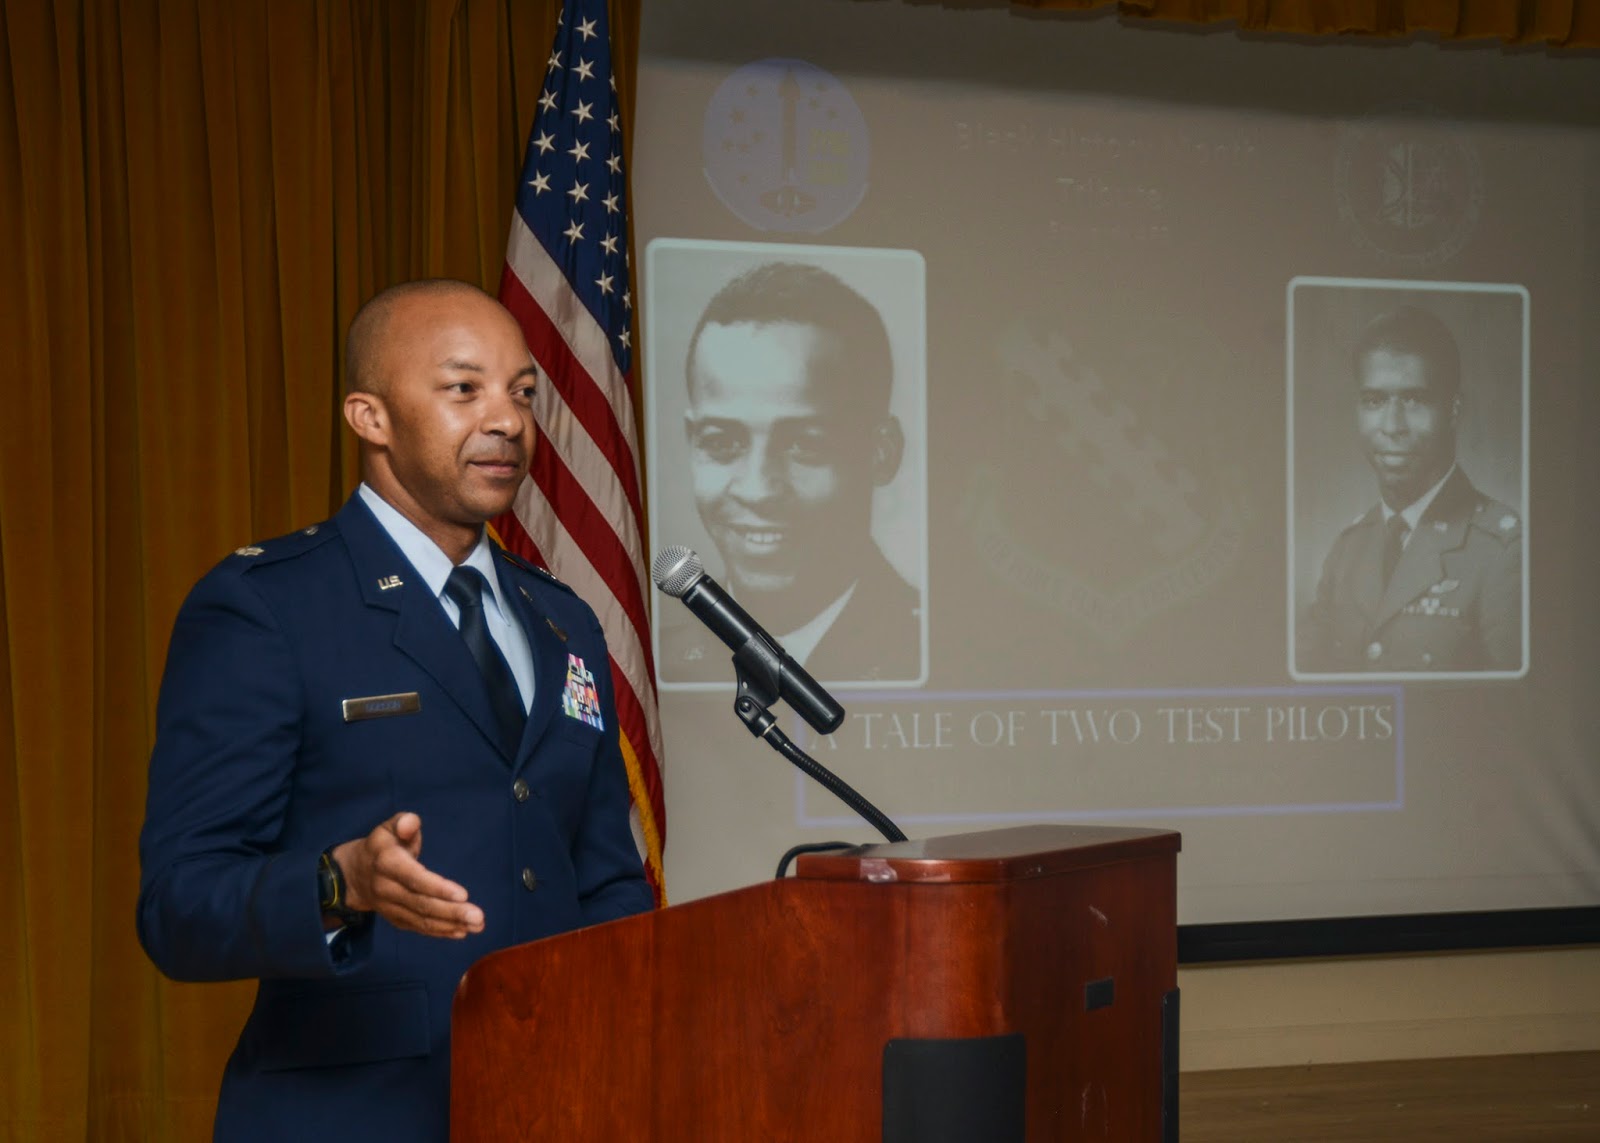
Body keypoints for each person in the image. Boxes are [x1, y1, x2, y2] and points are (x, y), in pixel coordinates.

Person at [136, 280, 653, 1141]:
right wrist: (340, 885)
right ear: (369, 416)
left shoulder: (565, 618)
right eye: (465, 389)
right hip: (353, 1111)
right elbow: (179, 905)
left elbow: (604, 878)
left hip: (560, 1099)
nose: (508, 420)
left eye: (522, 392)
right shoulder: (269, 606)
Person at [658, 261, 922, 685]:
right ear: (692, 442)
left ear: (881, 452)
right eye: (722, 442)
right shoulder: (653, 661)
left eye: (805, 444)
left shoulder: (925, 646)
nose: (758, 490)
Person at [1297, 304, 1522, 673]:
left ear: (1453, 410)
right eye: (1374, 401)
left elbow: (1510, 714)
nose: (1392, 425)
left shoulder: (1505, 551)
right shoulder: (1347, 549)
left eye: (1415, 400)